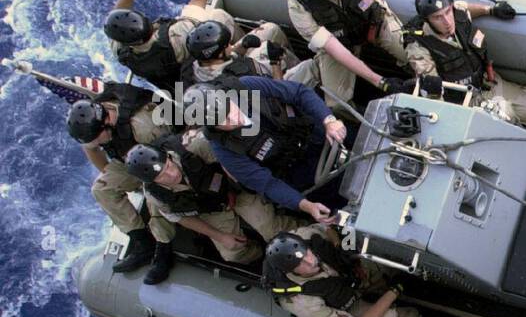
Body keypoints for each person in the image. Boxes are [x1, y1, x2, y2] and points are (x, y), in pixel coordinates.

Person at [280, 0, 454, 109]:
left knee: (418, 55)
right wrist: (381, 82)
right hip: (341, 41)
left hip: (374, 22)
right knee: (337, 103)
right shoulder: (300, 9)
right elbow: (337, 51)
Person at [181, 75, 346, 222]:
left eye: (228, 108)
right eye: (222, 120)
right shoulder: (225, 150)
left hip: (323, 136)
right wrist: (306, 206)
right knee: (342, 211)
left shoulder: (246, 85)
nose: (233, 118)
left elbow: (298, 92)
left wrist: (328, 120)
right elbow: (268, 185)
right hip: (304, 174)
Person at [123, 135, 299, 266]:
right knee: (233, 254)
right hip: (209, 209)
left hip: (236, 190)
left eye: (168, 166)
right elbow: (182, 218)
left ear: (168, 157)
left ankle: (305, 238)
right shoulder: (156, 195)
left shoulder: (193, 147)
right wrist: (220, 236)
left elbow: (228, 158)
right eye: (162, 176)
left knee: (270, 229)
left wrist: (234, 187)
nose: (172, 174)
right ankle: (264, 259)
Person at [66, 83, 176, 284]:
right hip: (133, 157)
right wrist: (120, 179)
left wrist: (144, 185)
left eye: (98, 139)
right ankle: (142, 241)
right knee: (102, 189)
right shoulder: (98, 123)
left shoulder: (142, 127)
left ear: (107, 121)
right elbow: (91, 148)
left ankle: (164, 245)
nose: (98, 143)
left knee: (152, 193)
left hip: (164, 158)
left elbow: (168, 160)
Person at [104, 0, 239, 93]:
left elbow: (115, 18)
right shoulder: (177, 35)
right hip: (203, 71)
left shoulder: (122, 51)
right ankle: (239, 46)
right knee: (217, 16)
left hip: (181, 89)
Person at [403, 0, 526, 126]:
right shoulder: (419, 47)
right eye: (438, 17)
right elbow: (433, 93)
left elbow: (466, 8)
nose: (447, 21)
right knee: (505, 115)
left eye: (447, 12)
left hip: (486, 82)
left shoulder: (457, 13)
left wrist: (490, 10)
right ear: (427, 20)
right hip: (464, 100)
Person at [262, 225, 420, 317]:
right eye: (300, 264)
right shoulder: (304, 303)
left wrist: (340, 247)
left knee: (400, 252)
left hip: (349, 274)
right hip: (345, 303)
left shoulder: (302, 236)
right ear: (289, 271)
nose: (310, 262)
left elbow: (329, 226)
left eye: (306, 254)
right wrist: (395, 290)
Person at [185, 19, 305, 84]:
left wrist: (243, 45)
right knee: (310, 66)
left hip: (240, 64)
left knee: (270, 29)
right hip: (271, 87)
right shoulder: (238, 80)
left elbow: (226, 56)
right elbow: (277, 94)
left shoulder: (196, 61)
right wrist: (275, 63)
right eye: (227, 45)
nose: (231, 46)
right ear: (219, 54)